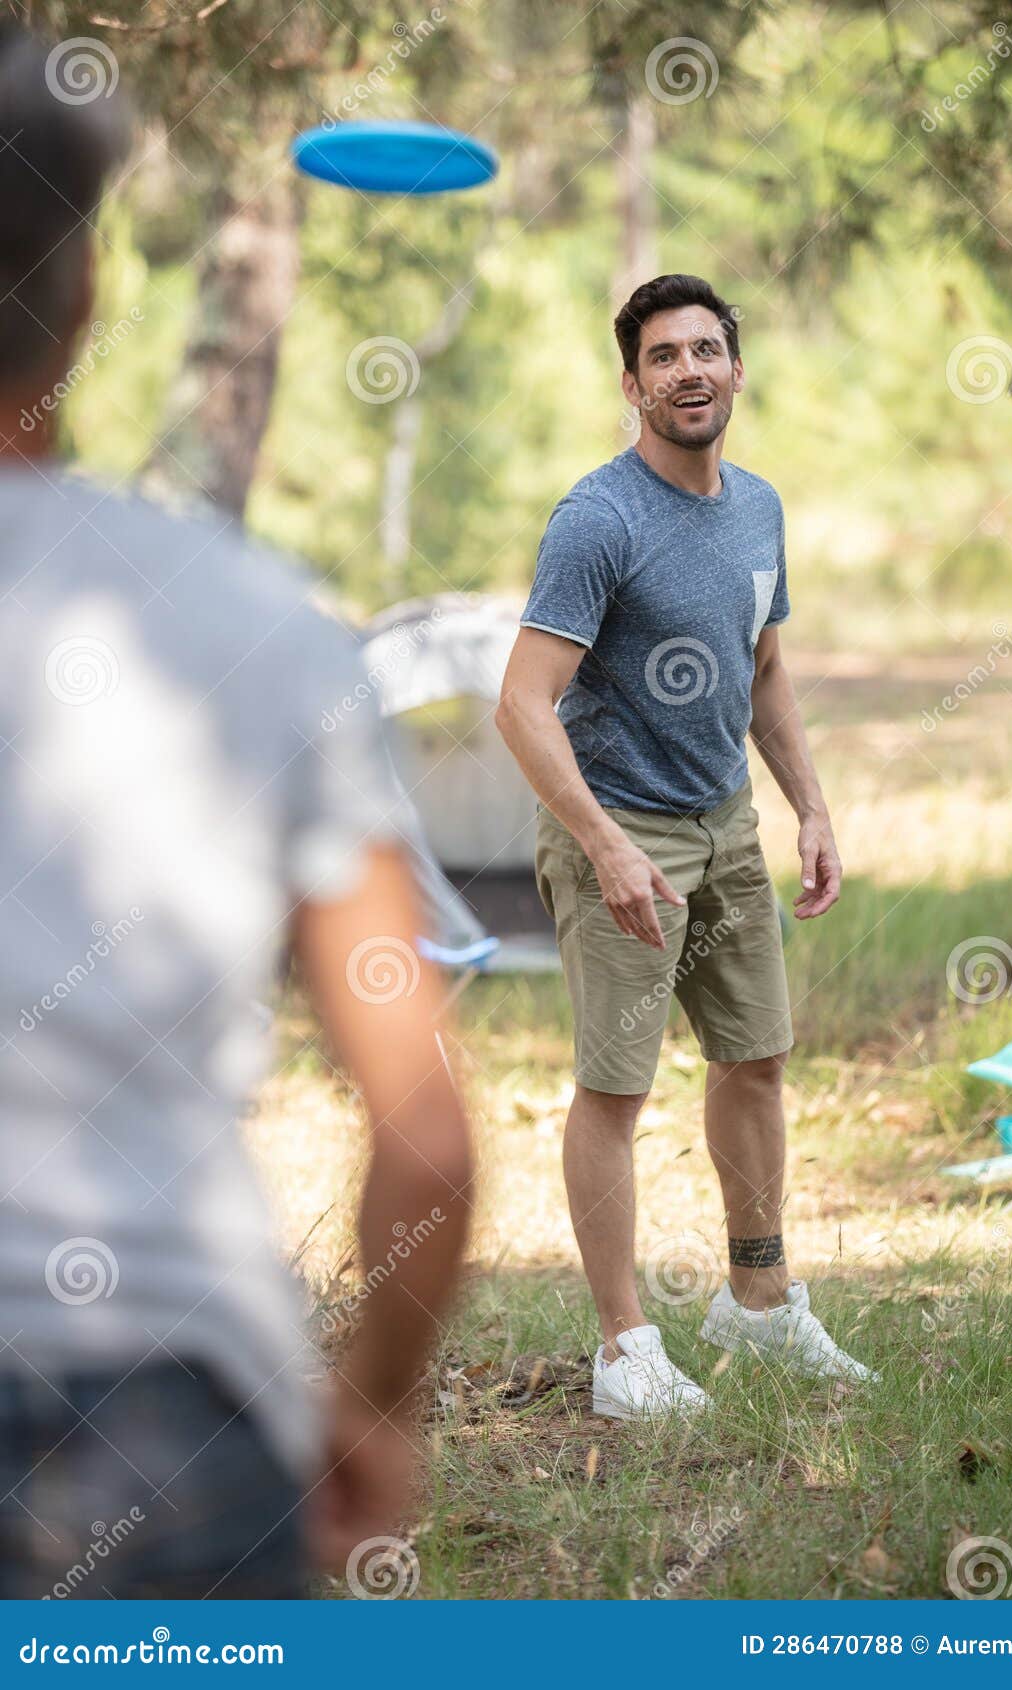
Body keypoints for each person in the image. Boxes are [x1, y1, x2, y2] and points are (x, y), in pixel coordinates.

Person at [0, 22, 472, 1597]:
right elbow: (424, 1133)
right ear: (80, 301)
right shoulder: (258, 623)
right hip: (169, 1432)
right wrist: (372, 1405)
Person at [496, 273, 876, 1420]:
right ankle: (625, 1349)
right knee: (615, 1085)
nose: (688, 370)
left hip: (726, 823)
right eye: (662, 356)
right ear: (632, 385)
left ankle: (757, 1301)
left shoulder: (757, 508)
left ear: (736, 369)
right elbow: (521, 703)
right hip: (621, 828)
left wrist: (809, 807)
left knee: (755, 1058)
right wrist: (605, 846)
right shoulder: (598, 519)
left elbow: (763, 669)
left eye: (705, 349)